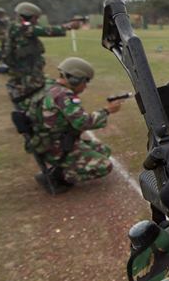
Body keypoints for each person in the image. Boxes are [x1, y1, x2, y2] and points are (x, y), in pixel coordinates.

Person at [26, 57, 123, 193]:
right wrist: (107, 110)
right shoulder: (63, 95)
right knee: (104, 166)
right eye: (85, 81)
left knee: (103, 150)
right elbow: (82, 123)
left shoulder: (49, 86)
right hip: (56, 147)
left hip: (48, 141)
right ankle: (58, 177)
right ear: (75, 79)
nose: (85, 86)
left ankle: (63, 168)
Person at [4, 1, 69, 110]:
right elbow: (47, 30)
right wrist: (67, 27)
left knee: (29, 89)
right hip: (26, 70)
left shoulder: (15, 25)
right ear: (27, 16)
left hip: (24, 68)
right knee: (31, 92)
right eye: (35, 18)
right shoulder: (21, 27)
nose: (36, 21)